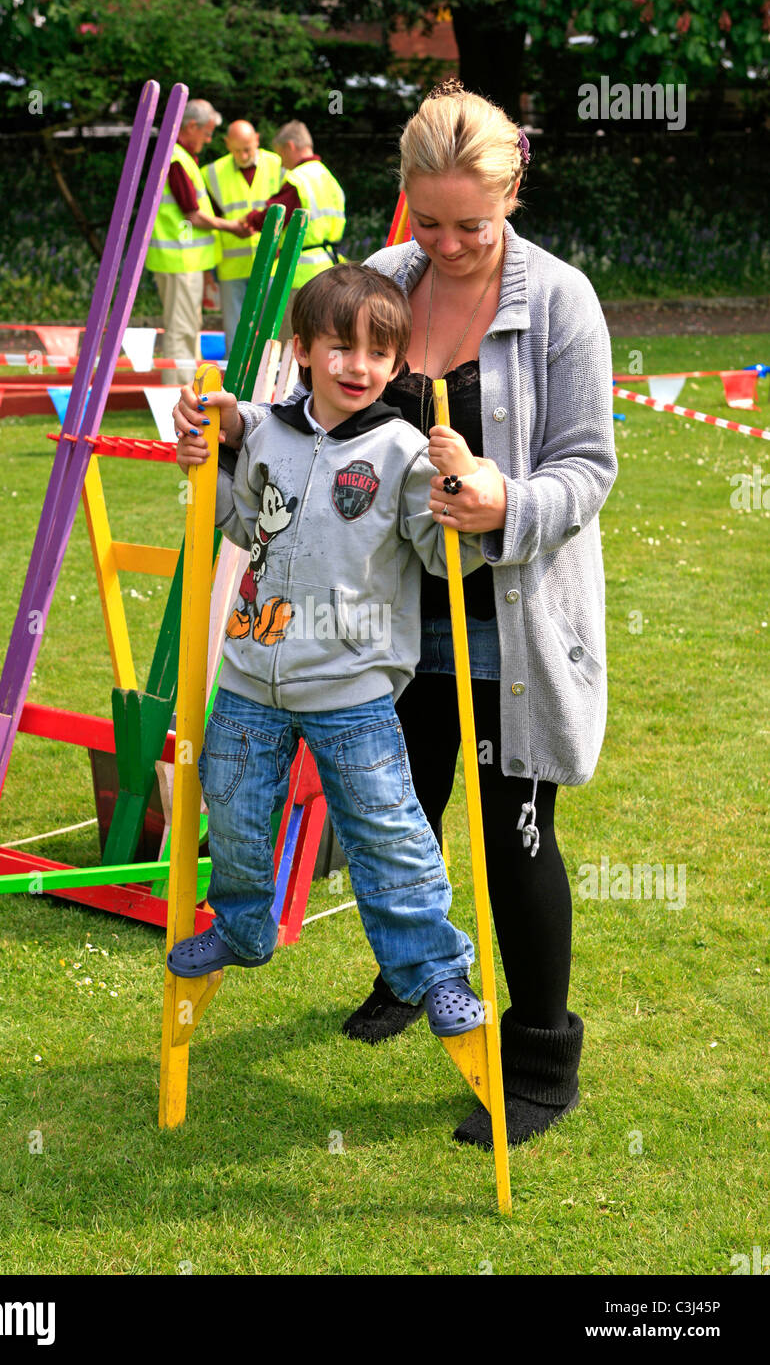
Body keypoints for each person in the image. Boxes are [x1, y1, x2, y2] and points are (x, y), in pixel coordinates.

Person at [173, 81, 618, 1152]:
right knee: (394, 812)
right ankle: (408, 974)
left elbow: (587, 468)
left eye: (473, 222)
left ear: (514, 190)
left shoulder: (559, 302)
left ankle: (540, 1055)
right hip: (385, 617)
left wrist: (504, 499)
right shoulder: (380, 286)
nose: (449, 242)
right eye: (427, 219)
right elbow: (305, 419)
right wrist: (230, 426)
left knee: (516, 834)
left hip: (508, 614)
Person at [167, 264, 491, 1053]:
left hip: (351, 685)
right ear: (303, 348)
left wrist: (464, 492)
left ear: (397, 364)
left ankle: (435, 971)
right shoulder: (270, 432)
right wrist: (214, 450)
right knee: (235, 813)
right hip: (250, 674)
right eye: (339, 347)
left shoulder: (406, 450)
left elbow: (449, 564)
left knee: (388, 831)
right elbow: (246, 526)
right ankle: (244, 927)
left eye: (378, 354)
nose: (358, 366)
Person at [145, 100, 253, 385]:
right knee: (182, 330)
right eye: (206, 133)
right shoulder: (177, 159)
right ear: (190, 126)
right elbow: (192, 214)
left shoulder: (179, 157)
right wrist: (231, 226)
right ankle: (178, 393)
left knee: (186, 328)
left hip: (184, 260)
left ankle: (183, 390)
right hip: (179, 260)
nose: (208, 140)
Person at [243, 120, 345, 344]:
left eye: (281, 154)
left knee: (290, 341)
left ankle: (289, 381)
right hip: (331, 270)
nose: (282, 162)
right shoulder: (328, 178)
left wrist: (250, 219)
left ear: (290, 146)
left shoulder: (298, 179)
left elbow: (274, 217)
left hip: (299, 275)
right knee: (319, 340)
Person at [203, 120, 284, 356]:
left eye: (247, 148)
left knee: (272, 334)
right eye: (237, 149)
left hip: (271, 263)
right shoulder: (211, 173)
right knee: (235, 335)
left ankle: (272, 386)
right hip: (231, 266)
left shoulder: (278, 165)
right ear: (226, 144)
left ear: (257, 139)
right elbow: (208, 223)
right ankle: (231, 390)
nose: (243, 154)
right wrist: (208, 269)